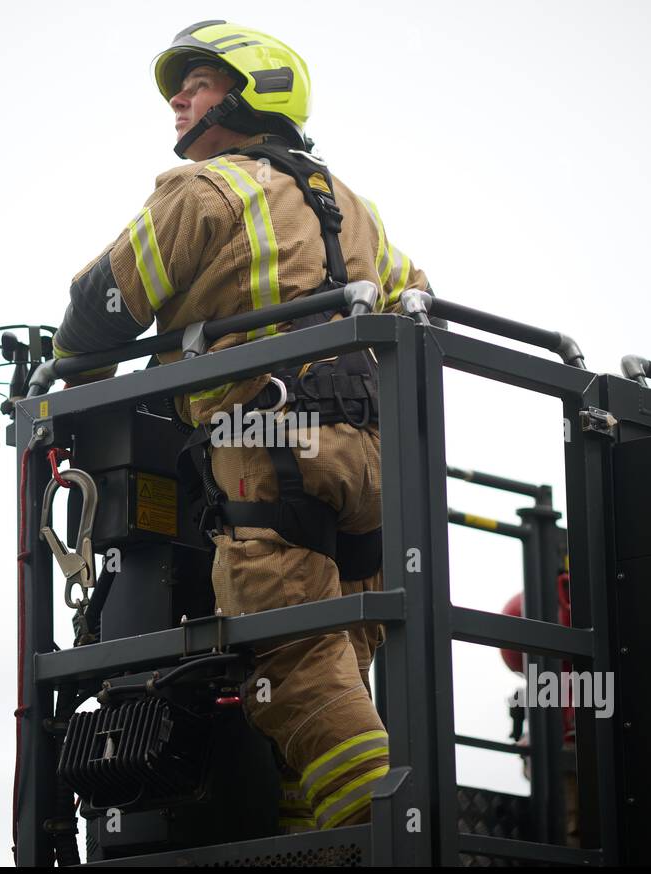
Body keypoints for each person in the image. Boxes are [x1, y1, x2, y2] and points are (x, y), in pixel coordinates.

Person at [50, 20, 430, 830]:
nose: (179, 101)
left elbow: (105, 304)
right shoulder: (351, 208)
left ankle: (378, 834)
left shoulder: (203, 191)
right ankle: (310, 836)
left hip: (270, 452)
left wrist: (63, 382)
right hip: (373, 466)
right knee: (337, 662)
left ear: (251, 92)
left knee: (290, 659)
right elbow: (417, 308)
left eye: (197, 83)